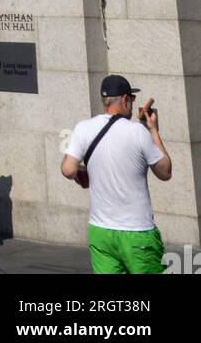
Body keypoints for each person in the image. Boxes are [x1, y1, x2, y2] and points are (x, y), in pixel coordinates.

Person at [61, 74, 172, 275]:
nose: (132, 104)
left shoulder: (83, 128)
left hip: (100, 231)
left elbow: (68, 169)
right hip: (137, 232)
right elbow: (165, 172)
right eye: (132, 99)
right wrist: (154, 131)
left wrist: (85, 169)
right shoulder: (138, 132)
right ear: (125, 100)